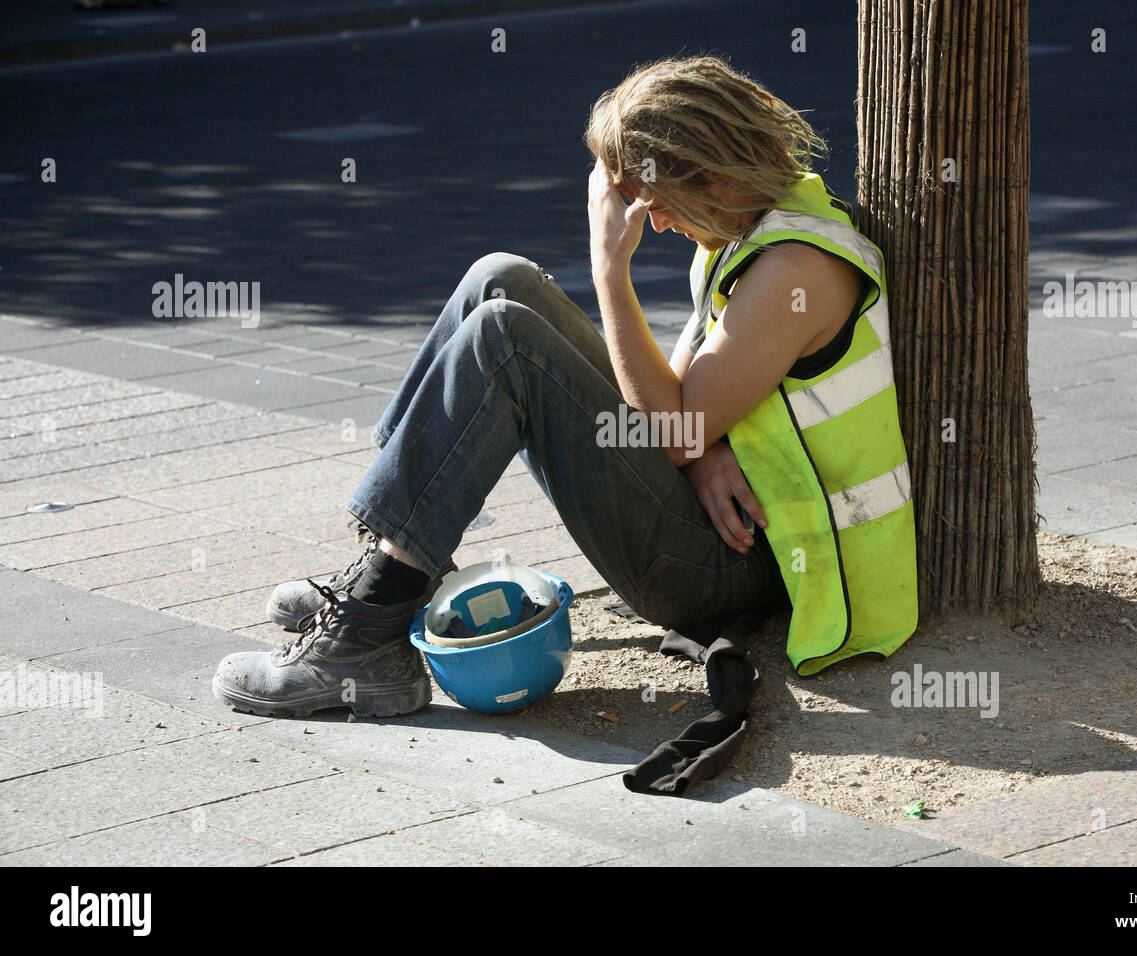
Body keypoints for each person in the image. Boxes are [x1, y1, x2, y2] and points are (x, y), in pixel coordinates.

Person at [212, 54, 918, 718]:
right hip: (733, 524)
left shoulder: (792, 269)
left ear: (714, 173)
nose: (659, 222)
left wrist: (610, 271)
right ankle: (391, 570)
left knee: (506, 339)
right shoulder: (759, 223)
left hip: (744, 566)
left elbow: (671, 428)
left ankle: (364, 639)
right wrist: (704, 449)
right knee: (502, 277)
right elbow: (684, 411)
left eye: (657, 201)